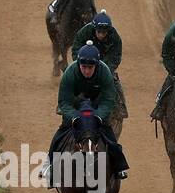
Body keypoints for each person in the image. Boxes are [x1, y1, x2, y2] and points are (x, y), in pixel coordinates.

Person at [44, 43, 129, 184]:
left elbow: (109, 100)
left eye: (90, 68)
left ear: (96, 65)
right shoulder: (70, 73)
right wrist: (74, 116)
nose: (87, 71)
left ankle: (119, 166)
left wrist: (98, 116)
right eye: (84, 67)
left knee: (109, 135)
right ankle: (49, 165)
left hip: (97, 108)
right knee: (61, 133)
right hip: (76, 108)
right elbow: (64, 102)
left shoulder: (105, 72)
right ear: (79, 64)